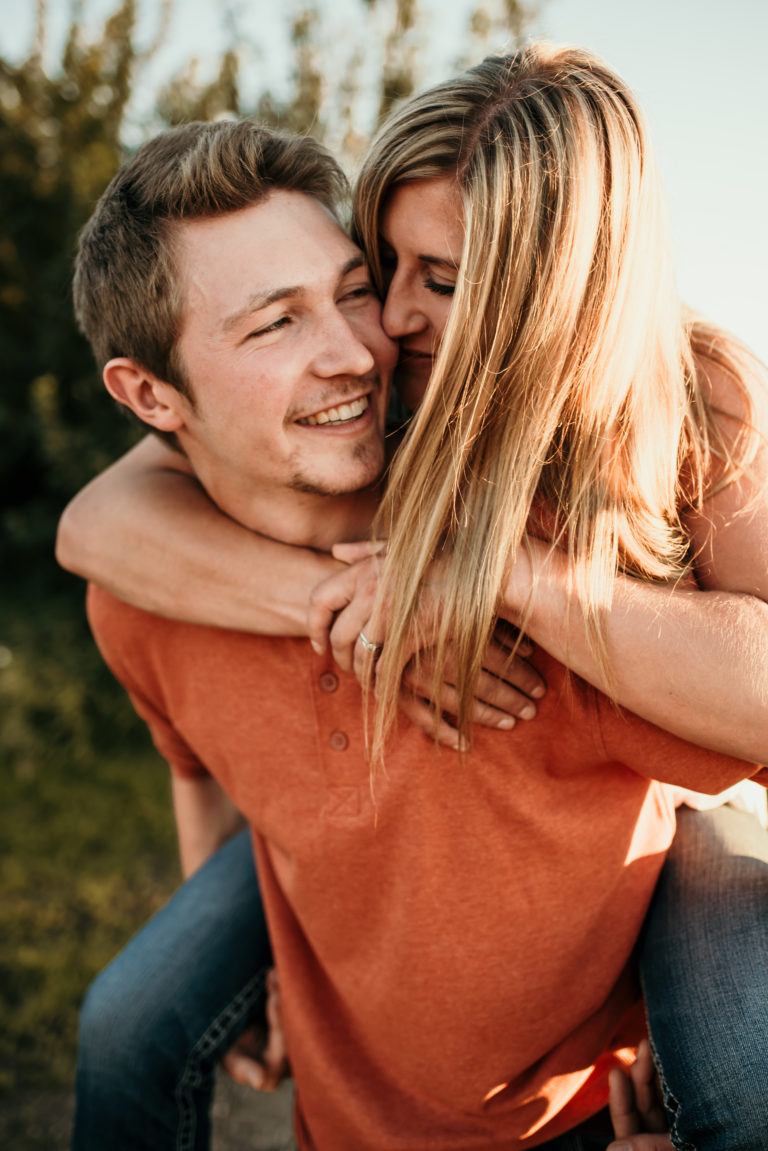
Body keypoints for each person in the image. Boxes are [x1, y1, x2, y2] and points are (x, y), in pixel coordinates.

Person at [59, 48, 768, 1151]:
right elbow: (101, 534)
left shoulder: (685, 422)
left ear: (551, 292)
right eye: (378, 263)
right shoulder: (324, 452)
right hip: (365, 1045)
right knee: (126, 1022)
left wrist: (492, 579)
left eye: (425, 278)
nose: (377, 328)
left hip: (632, 904)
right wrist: (344, 607)